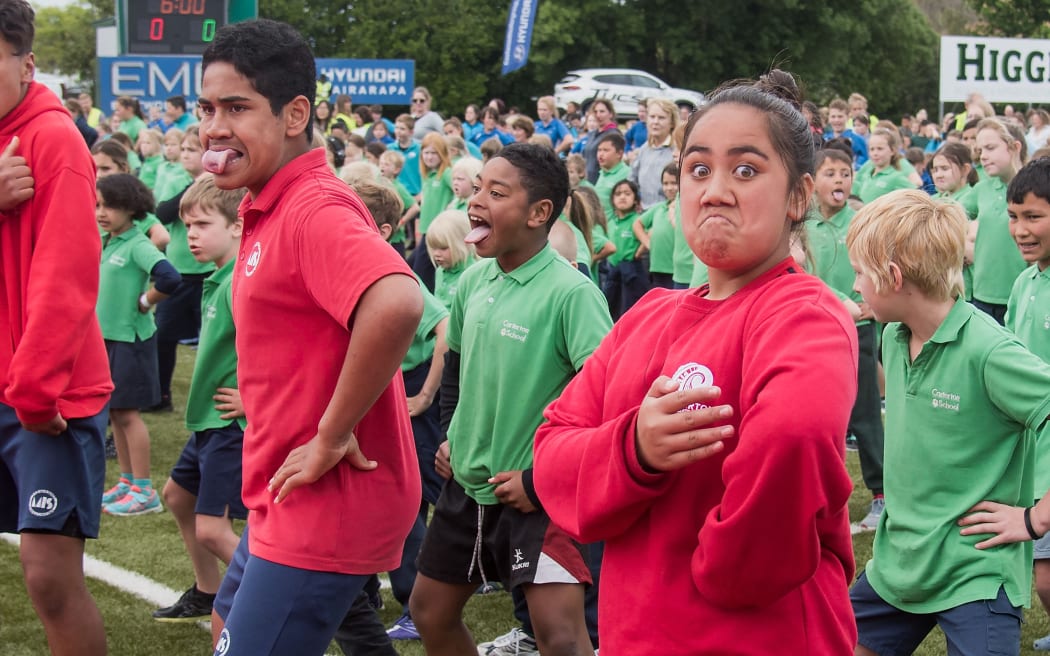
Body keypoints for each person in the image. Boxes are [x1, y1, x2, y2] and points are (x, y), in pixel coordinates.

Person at [532, 70, 859, 655]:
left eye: (747, 170)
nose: (715, 190)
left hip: (757, 635)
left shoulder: (802, 314)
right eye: (699, 169)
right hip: (636, 634)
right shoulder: (646, 316)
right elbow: (553, 452)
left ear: (799, 197)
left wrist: (721, 570)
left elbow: (793, 438)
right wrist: (636, 449)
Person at [196, 19, 423, 655]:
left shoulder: (313, 208)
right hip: (283, 496)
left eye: (236, 107)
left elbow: (398, 301)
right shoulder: (270, 201)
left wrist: (330, 434)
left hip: (325, 501)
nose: (214, 126)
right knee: (228, 629)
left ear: (296, 113)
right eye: (208, 108)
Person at [408, 144, 611, 656]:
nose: (476, 201)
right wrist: (453, 433)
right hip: (466, 486)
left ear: (539, 213)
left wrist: (543, 480)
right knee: (430, 613)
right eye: (477, 187)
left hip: (536, 499)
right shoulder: (474, 279)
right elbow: (456, 367)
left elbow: (608, 403)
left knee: (561, 639)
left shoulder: (572, 293)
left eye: (496, 193)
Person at [845, 189, 1050, 656]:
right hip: (900, 562)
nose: (856, 286)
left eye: (860, 273)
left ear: (893, 278)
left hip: (974, 570)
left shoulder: (989, 351)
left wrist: (1036, 519)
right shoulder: (894, 335)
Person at [0, 2, 113, 651]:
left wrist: (36, 389)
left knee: (48, 578)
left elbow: (66, 277)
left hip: (44, 399)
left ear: (27, 63)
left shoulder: (54, 139)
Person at [956, 157, 1050, 652]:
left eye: (1033, 216)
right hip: (1035, 459)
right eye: (1014, 216)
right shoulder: (1025, 283)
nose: (1020, 229)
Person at [152, 176, 248, 622]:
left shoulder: (243, 282)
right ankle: (209, 591)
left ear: (237, 224)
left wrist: (254, 396)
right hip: (208, 419)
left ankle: (278, 606)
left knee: (213, 528)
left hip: (230, 423)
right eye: (187, 225)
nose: (190, 234)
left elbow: (285, 347)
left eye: (202, 224)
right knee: (177, 495)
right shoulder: (219, 276)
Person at [804, 148, 886, 532]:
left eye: (845, 174)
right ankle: (821, 495)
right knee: (819, 416)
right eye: (830, 173)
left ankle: (882, 495)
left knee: (865, 415)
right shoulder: (802, 224)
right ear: (812, 181)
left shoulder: (860, 222)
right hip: (815, 332)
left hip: (859, 331)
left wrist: (867, 304)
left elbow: (876, 266)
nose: (839, 180)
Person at [95, 174, 182, 516]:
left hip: (131, 340)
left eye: (111, 206)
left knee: (128, 414)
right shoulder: (109, 240)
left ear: (131, 209)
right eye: (99, 204)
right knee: (115, 412)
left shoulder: (137, 244)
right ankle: (127, 481)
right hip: (109, 339)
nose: (102, 212)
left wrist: (146, 301)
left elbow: (170, 277)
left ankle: (145, 490)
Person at [152, 126, 213, 413]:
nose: (186, 156)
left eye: (193, 150)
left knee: (212, 341)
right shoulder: (175, 177)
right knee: (163, 336)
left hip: (210, 274)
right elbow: (163, 213)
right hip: (178, 275)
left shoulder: (222, 182)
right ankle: (160, 395)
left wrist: (206, 182)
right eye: (185, 150)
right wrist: (195, 185)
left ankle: (213, 399)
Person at [964, 118, 1029, 324]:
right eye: (980, 150)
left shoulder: (1037, 187)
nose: (983, 156)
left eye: (990, 148)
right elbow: (949, 213)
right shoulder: (983, 189)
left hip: (1024, 295)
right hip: (982, 296)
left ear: (1015, 147)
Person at [931, 141, 979, 300]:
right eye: (935, 169)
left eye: (945, 169)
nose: (938, 174)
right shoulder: (932, 200)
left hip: (964, 284)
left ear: (965, 169)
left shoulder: (972, 197)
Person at [603, 178, 647, 319]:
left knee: (630, 311)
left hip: (632, 271)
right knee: (611, 310)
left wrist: (640, 251)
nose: (622, 197)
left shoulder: (638, 220)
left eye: (627, 194)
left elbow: (650, 234)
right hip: (613, 271)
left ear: (635, 199)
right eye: (618, 194)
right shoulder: (611, 222)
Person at [633, 162, 678, 289]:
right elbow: (637, 224)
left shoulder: (683, 209)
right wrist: (648, 243)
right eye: (665, 183)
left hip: (676, 270)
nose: (669, 188)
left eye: (674, 183)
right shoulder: (658, 208)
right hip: (657, 268)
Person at [630, 97, 679, 210]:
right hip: (643, 213)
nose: (655, 122)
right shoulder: (644, 149)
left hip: (668, 213)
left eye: (661, 118)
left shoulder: (677, 151)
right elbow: (632, 179)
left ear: (671, 123)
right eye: (652, 117)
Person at [426, 209, 475, 309]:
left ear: (464, 243)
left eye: (443, 248)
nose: (436, 254)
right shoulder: (440, 271)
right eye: (434, 248)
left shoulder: (472, 275)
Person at [852, 127, 916, 203]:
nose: (875, 153)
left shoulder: (896, 177)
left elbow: (917, 196)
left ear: (892, 151)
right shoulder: (866, 174)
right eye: (872, 149)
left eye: (880, 149)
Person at [825, 98, 868, 169]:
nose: (836, 120)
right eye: (833, 116)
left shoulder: (858, 139)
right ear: (829, 118)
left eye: (840, 116)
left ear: (848, 117)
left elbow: (865, 163)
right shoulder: (825, 138)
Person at [582, 99, 618, 184]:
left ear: (610, 114)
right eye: (595, 111)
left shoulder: (613, 134)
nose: (598, 115)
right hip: (587, 179)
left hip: (602, 181)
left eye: (602, 111)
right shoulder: (592, 134)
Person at [391, 113, 422, 197]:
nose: (398, 131)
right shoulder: (389, 149)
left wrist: (420, 195)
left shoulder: (419, 149)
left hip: (414, 194)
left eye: (402, 129)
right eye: (396, 128)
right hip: (395, 194)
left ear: (411, 132)